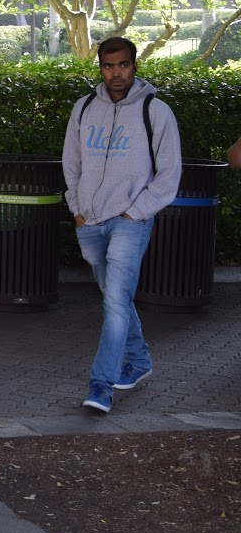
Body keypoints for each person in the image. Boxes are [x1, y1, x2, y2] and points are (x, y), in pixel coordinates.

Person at [62, 36, 181, 414]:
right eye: (108, 66)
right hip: (89, 220)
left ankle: (101, 385)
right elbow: (72, 163)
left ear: (134, 65)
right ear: (100, 68)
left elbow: (168, 175)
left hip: (130, 221)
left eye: (123, 65)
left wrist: (136, 212)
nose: (116, 73)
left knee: (114, 301)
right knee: (116, 298)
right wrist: (77, 209)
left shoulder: (155, 111)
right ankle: (139, 360)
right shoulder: (84, 108)